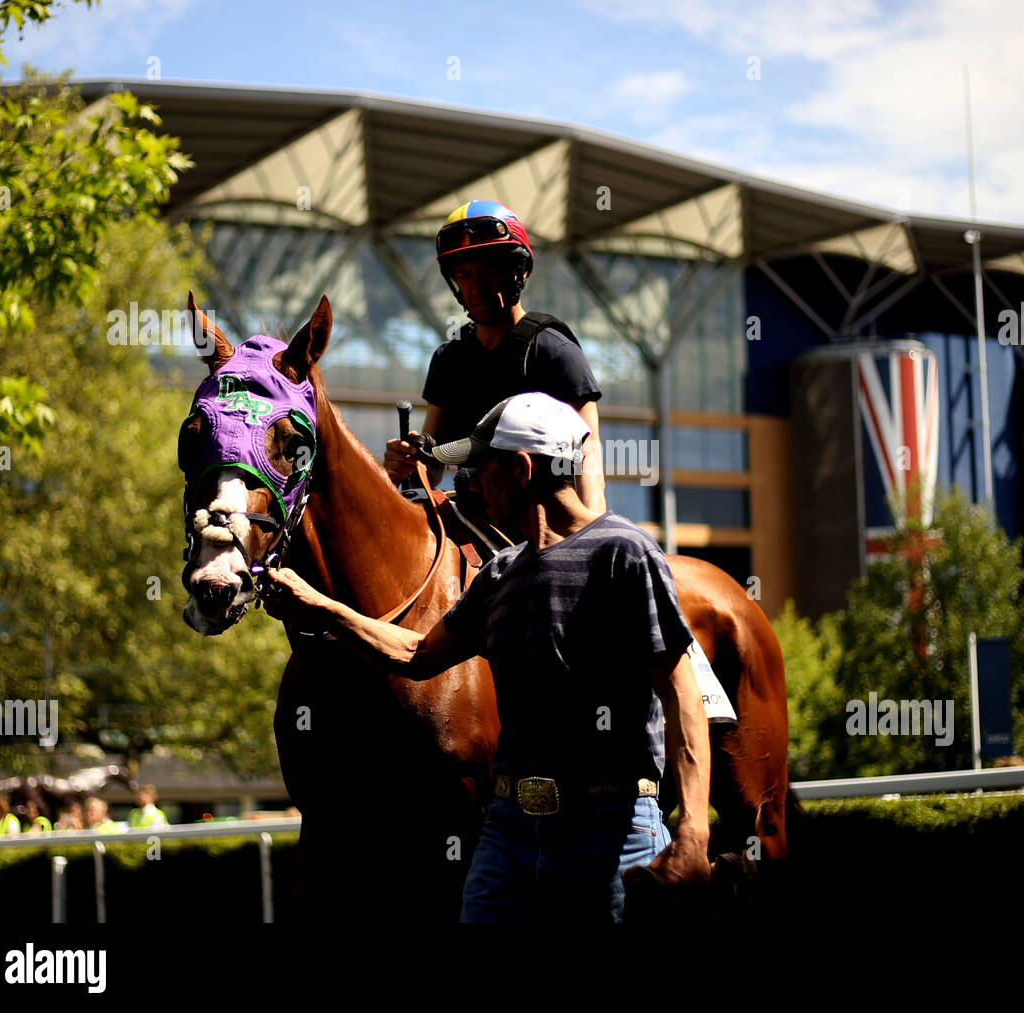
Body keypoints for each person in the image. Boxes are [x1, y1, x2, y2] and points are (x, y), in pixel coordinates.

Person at [263, 392, 711, 923]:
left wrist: (694, 832)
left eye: (479, 466)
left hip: (611, 831)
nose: (468, 482)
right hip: (509, 835)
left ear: (521, 469)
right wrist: (321, 607)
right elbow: (416, 653)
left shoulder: (624, 553)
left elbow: (682, 693)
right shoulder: (500, 574)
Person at [382, 200, 607, 535]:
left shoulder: (554, 351)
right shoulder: (449, 359)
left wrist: (588, 540)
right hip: (470, 519)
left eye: (488, 271)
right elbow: (433, 465)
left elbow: (586, 453)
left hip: (540, 525)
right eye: (464, 274)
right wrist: (406, 462)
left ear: (520, 271)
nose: (476, 287)